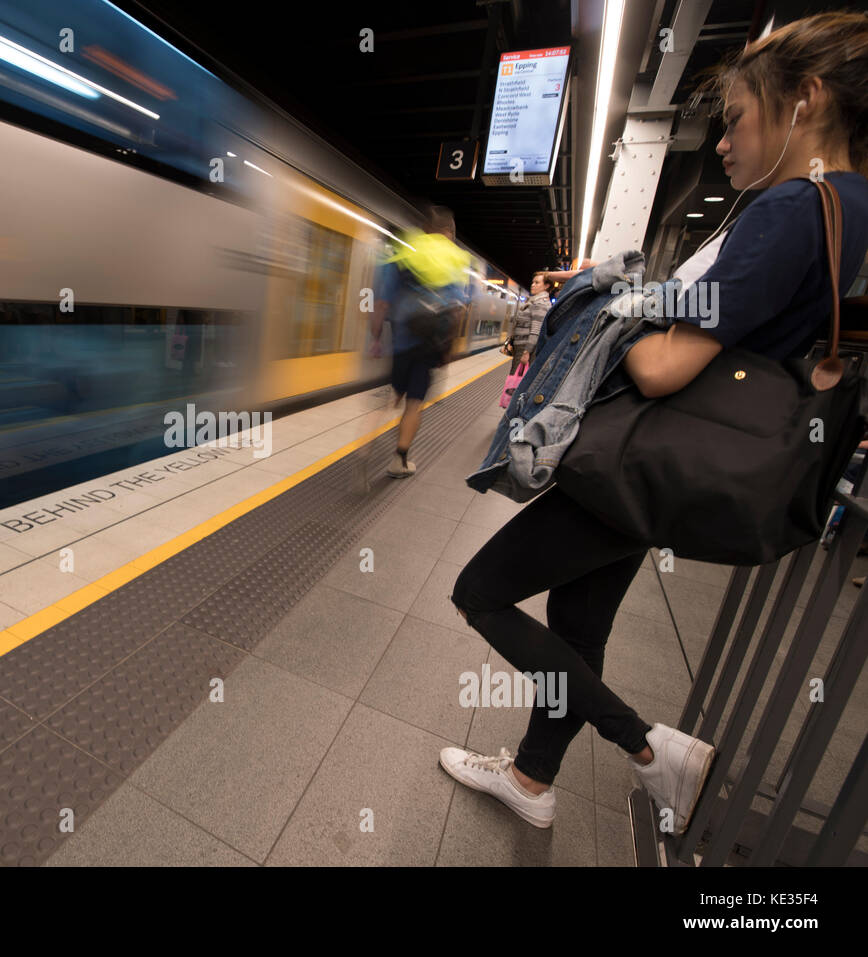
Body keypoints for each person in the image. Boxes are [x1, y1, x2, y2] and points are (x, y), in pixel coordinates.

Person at [441, 10, 868, 833]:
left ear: (806, 101)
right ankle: (532, 779)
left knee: (478, 592)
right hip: (672, 469)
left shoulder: (790, 210)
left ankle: (648, 749)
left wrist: (618, 304)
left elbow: (662, 363)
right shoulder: (852, 212)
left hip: (637, 459)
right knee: (579, 624)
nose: (720, 142)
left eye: (737, 117)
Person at [368, 205, 471, 477]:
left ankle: (364, 445)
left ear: (427, 229)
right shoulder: (456, 259)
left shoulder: (405, 252)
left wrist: (376, 338)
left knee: (392, 395)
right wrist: (449, 349)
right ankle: (399, 460)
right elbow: (459, 309)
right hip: (429, 345)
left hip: (401, 341)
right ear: (449, 231)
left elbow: (381, 304)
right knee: (414, 403)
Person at [501, 272, 552, 373]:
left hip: (525, 348)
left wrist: (526, 352)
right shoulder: (534, 301)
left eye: (537, 283)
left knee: (517, 380)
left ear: (546, 286)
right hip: (521, 346)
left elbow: (536, 330)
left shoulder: (540, 304)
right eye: (533, 282)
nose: (533, 285)